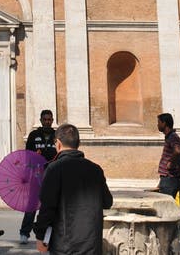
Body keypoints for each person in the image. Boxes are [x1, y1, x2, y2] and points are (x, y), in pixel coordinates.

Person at [34, 123, 112, 255]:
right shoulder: (96, 169)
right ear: (78, 143)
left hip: (64, 246)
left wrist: (40, 236)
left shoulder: (54, 169)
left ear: (57, 143)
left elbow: (47, 208)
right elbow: (107, 202)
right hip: (92, 245)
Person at [19, 109, 56, 244]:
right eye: (45, 119)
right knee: (32, 205)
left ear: (52, 121)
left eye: (49, 119)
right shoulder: (33, 135)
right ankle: (24, 233)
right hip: (36, 174)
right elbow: (27, 154)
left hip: (52, 175)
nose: (47, 122)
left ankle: (47, 235)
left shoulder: (56, 136)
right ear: (41, 121)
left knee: (49, 206)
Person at [157, 112, 180, 198]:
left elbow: (177, 150)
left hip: (170, 179)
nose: (157, 125)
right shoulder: (170, 137)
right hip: (167, 178)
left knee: (166, 206)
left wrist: (170, 163)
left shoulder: (172, 137)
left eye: (159, 122)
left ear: (164, 123)